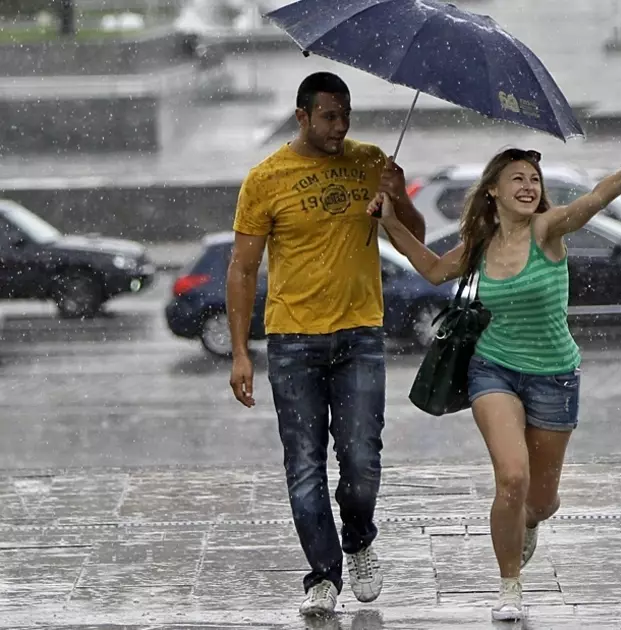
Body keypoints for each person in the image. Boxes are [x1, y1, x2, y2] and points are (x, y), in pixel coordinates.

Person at [366, 123, 621, 621]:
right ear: (493, 190)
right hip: (493, 370)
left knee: (541, 500)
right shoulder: (478, 244)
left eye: (533, 178)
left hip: (554, 375)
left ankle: (530, 521)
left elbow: (597, 198)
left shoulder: (546, 230)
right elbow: (430, 268)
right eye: (516, 178)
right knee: (511, 478)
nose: (528, 185)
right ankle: (509, 586)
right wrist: (389, 222)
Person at [226, 71, 426, 617]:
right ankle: (322, 575)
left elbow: (416, 239)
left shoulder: (370, 163)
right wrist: (242, 351)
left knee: (362, 459)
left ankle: (358, 539)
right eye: (328, 116)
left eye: (346, 115)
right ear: (302, 116)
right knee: (305, 464)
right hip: (292, 340)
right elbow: (242, 270)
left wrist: (398, 197)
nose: (339, 127)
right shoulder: (265, 179)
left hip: (361, 334)